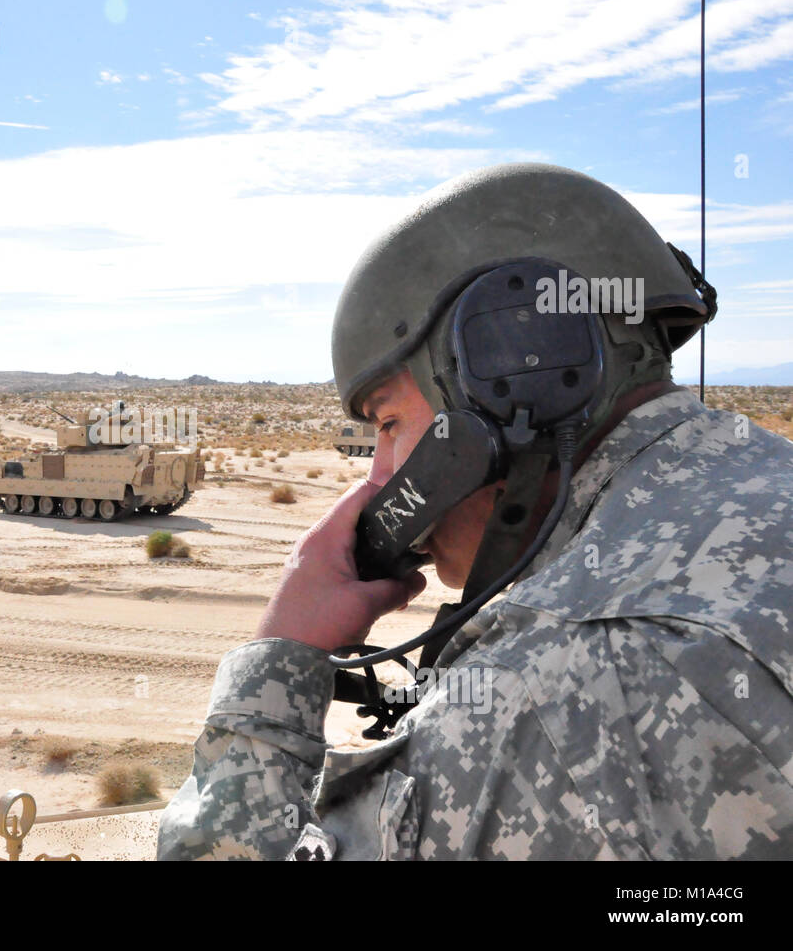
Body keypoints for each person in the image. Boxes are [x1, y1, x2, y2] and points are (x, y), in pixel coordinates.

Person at [157, 163, 793, 860]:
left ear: (519, 369)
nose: (377, 478)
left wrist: (278, 664)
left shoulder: (557, 687)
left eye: (390, 422)